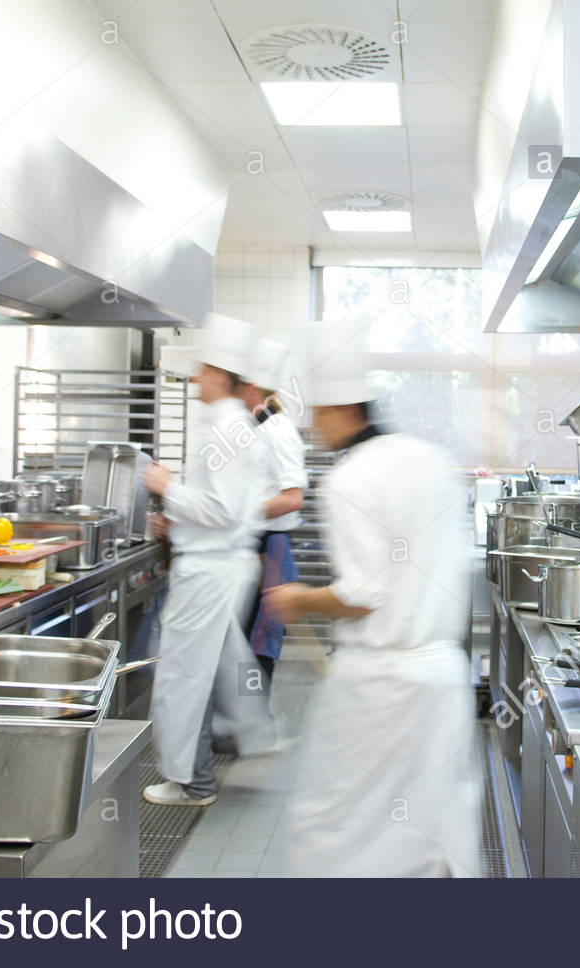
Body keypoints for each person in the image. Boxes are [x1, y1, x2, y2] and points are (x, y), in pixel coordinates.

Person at [265, 321, 482, 877]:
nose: (311, 427)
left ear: (340, 409)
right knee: (432, 833)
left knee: (336, 828)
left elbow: (363, 596)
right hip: (441, 682)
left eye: (314, 413)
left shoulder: (351, 478)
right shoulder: (429, 458)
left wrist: (299, 599)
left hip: (382, 689)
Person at [141, 313, 273, 807]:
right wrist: (178, 510)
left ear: (219, 374)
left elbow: (221, 510)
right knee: (208, 669)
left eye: (201, 369)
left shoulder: (228, 431)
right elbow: (219, 504)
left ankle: (192, 781)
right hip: (214, 563)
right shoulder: (227, 426)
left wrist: (167, 487)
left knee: (182, 675)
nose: (194, 376)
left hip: (209, 570)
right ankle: (226, 755)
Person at [237, 338, 306, 683]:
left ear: (251, 389)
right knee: (245, 642)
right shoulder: (260, 429)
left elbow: (293, 498)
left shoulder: (279, 432)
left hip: (270, 550)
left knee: (257, 646)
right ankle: (241, 728)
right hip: (256, 546)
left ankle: (251, 730)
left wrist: (237, 512)